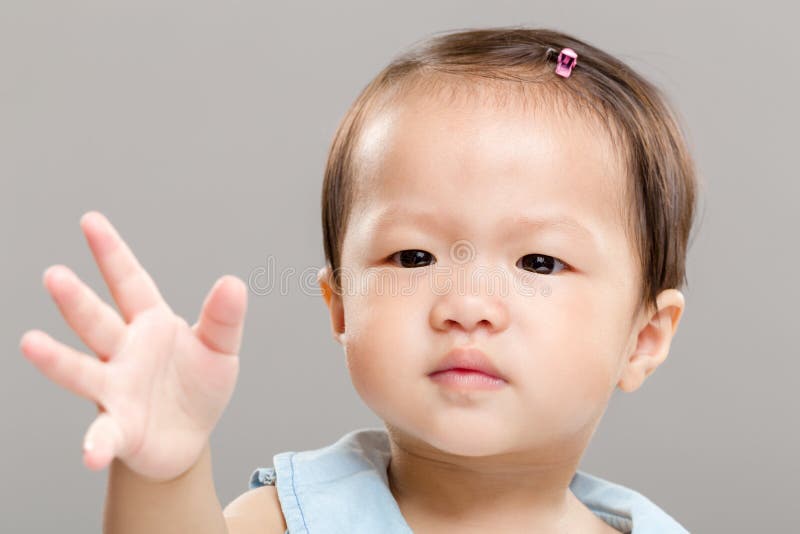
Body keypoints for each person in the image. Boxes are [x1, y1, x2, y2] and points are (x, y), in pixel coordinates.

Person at [19, 26, 698, 533]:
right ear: (341, 306)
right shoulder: (295, 519)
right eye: (413, 258)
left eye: (539, 263)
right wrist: (163, 471)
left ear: (643, 337)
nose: (467, 306)